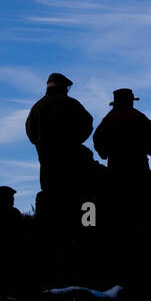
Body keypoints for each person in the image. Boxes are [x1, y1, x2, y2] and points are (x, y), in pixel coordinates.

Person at [25, 73, 95, 222]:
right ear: (63, 87)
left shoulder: (37, 107)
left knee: (51, 205)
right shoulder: (72, 104)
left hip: (47, 165)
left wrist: (42, 143)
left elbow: (30, 133)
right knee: (82, 201)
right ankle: (86, 233)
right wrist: (75, 141)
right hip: (72, 165)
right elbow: (88, 124)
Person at [93, 89, 151, 222]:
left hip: (115, 168)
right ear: (131, 101)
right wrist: (148, 150)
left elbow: (98, 141)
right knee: (143, 207)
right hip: (139, 167)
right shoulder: (141, 118)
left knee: (116, 208)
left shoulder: (108, 120)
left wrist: (105, 153)